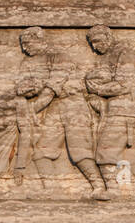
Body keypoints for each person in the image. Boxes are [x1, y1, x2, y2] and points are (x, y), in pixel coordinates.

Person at [18, 26, 109, 199]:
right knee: (41, 151)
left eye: (27, 43)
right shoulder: (28, 62)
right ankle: (52, 190)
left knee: (80, 151)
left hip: (74, 105)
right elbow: (23, 86)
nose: (24, 48)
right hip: (54, 108)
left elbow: (51, 89)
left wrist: (32, 109)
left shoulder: (60, 57)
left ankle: (98, 186)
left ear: (39, 40)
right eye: (22, 45)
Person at [84, 25, 135, 197]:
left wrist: (98, 89)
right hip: (125, 112)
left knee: (105, 151)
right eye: (92, 43)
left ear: (108, 37)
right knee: (133, 156)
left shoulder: (123, 53)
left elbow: (125, 84)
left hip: (124, 110)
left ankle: (113, 190)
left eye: (98, 41)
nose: (95, 47)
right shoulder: (106, 57)